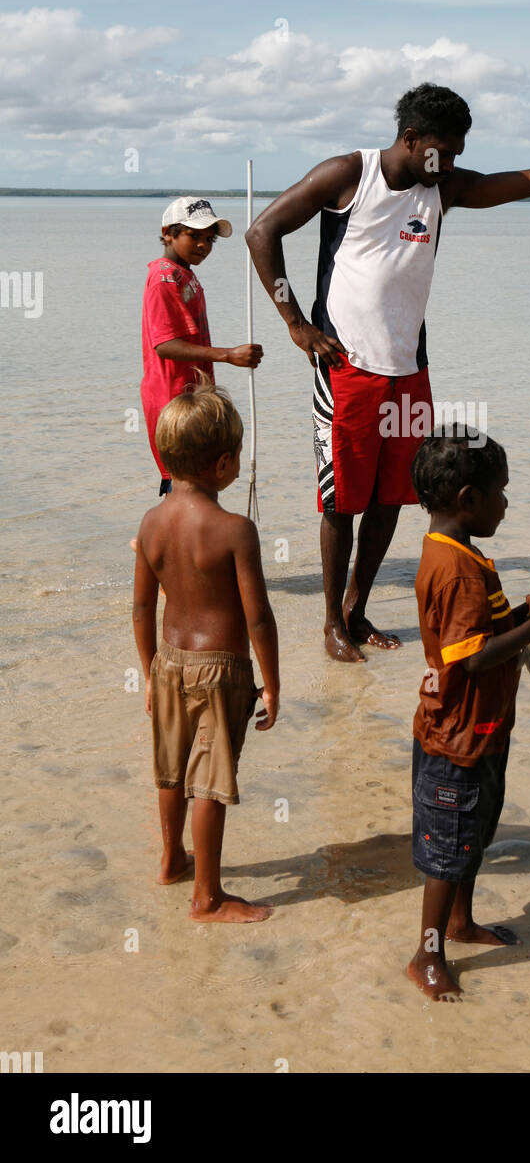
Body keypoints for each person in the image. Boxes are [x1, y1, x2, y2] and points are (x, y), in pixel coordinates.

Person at [246, 83, 530, 661]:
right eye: (445, 151)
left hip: (409, 371)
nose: (454, 164)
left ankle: (356, 610)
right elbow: (262, 232)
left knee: (392, 499)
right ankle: (329, 624)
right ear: (411, 140)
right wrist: (294, 322)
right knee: (342, 504)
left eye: (460, 153)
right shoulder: (347, 175)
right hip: (345, 370)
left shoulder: (442, 188)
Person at [406, 428, 530, 1000]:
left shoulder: (461, 553)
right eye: (502, 492)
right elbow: (475, 657)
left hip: (482, 729)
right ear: (468, 500)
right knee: (446, 848)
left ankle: (460, 922)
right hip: (456, 737)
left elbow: (485, 631)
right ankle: (427, 954)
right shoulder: (457, 571)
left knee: (472, 836)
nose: (507, 503)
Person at [132, 384, 279, 923]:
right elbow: (259, 617)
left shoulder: (151, 523)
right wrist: (273, 681)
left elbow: (142, 608)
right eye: (237, 454)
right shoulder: (236, 531)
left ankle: (172, 860)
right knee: (210, 783)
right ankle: (208, 897)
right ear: (223, 464)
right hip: (222, 671)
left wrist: (148, 671)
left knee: (170, 769)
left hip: (168, 661)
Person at [140, 196, 263, 495]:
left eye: (209, 239)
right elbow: (165, 344)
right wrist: (228, 355)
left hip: (191, 395)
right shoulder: (164, 278)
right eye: (193, 235)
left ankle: (187, 539)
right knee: (184, 482)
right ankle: (168, 539)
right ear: (168, 232)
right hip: (173, 398)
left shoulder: (183, 274)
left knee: (199, 479)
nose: (203, 246)